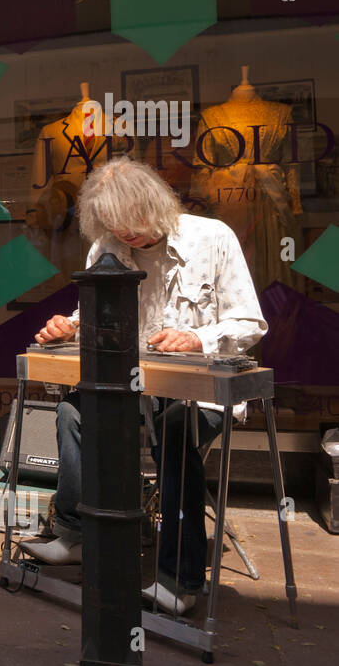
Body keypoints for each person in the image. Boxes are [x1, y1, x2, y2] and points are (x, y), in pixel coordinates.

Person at [24, 157, 267, 616]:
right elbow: (94, 318)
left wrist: (197, 338)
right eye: (115, 226)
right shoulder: (106, 247)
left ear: (155, 203)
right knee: (72, 413)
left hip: (197, 394)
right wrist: (69, 329)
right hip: (129, 390)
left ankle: (180, 580)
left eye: (133, 224)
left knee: (176, 429)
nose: (128, 236)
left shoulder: (213, 238)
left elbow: (251, 322)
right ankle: (74, 533)